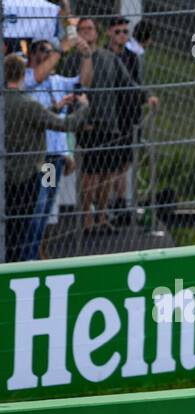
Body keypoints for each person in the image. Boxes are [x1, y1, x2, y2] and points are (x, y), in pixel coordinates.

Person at [60, 17, 149, 235]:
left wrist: (147, 96)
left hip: (110, 124)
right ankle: (87, 220)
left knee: (107, 174)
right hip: (87, 124)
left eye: (90, 29)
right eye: (82, 30)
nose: (87, 33)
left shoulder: (110, 58)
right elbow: (67, 91)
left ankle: (102, 216)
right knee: (89, 174)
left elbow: (129, 84)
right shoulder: (73, 61)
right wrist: (77, 120)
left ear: (97, 32)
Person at [4, 52, 88, 262]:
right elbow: (38, 116)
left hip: (52, 158)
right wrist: (83, 109)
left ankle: (36, 250)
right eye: (41, 51)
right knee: (38, 207)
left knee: (46, 205)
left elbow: (39, 117)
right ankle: (27, 255)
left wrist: (57, 108)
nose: (45, 55)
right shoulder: (31, 86)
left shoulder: (58, 81)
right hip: (38, 162)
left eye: (49, 52)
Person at [105, 16, 156, 226]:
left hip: (129, 117)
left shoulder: (131, 57)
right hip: (109, 117)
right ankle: (104, 206)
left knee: (124, 162)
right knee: (107, 164)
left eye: (126, 32)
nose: (123, 36)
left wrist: (145, 97)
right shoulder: (103, 56)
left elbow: (135, 85)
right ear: (109, 33)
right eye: (118, 32)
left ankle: (120, 202)